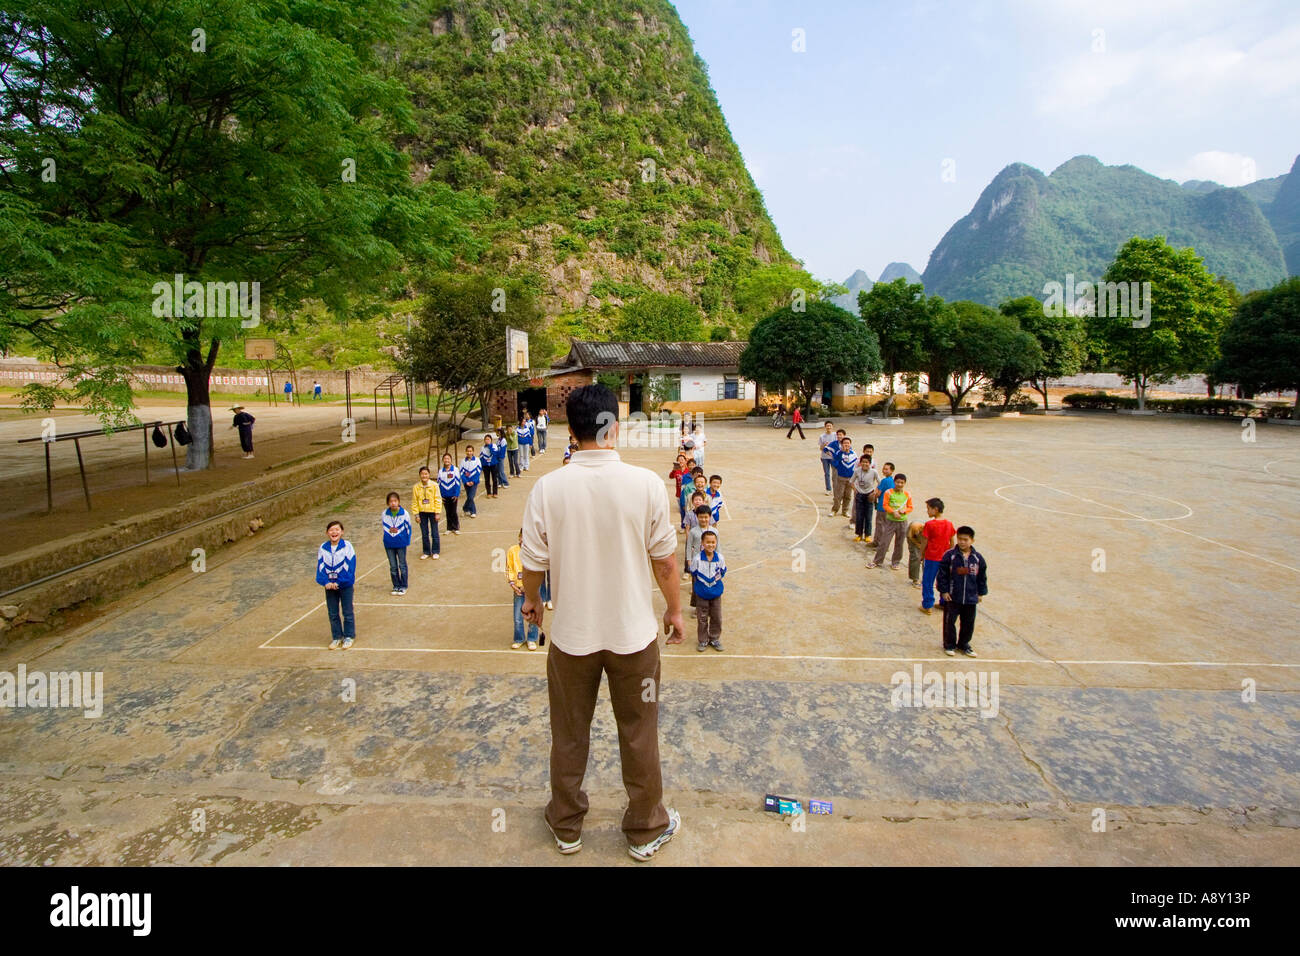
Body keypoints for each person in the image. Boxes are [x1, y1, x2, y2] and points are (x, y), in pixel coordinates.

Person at [518, 383, 683, 861]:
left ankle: (567, 825)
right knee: (639, 730)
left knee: (569, 732)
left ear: (569, 430)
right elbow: (667, 563)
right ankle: (645, 828)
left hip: (572, 639)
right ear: (617, 425)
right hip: (634, 638)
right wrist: (673, 610)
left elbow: (533, 563)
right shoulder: (647, 484)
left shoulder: (549, 488)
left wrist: (532, 601)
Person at [936, 526, 988, 657]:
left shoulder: (977, 558)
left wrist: (980, 593)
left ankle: (964, 644)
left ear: (972, 540)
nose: (962, 542)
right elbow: (942, 574)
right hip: (953, 596)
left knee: (968, 622)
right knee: (949, 622)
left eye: (965, 539)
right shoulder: (950, 556)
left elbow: (982, 577)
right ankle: (949, 644)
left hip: (970, 597)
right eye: (960, 539)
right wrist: (944, 591)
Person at [317, 520, 356, 649]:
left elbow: (350, 566)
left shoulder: (347, 546)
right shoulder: (323, 548)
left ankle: (349, 636)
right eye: (331, 530)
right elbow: (320, 567)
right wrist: (326, 582)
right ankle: (336, 637)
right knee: (333, 613)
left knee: (347, 611)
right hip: (329, 587)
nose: (334, 532)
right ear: (327, 533)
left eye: (337, 530)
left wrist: (339, 582)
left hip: (345, 586)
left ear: (342, 532)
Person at [689, 529, 726, 652]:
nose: (711, 545)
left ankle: (714, 639)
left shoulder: (720, 558)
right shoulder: (697, 559)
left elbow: (722, 572)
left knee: (717, 617)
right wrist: (703, 585)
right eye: (708, 542)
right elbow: (693, 573)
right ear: (702, 543)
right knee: (702, 618)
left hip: (715, 594)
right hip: (702, 594)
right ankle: (703, 640)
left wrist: (713, 583)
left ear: (716, 543)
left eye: (713, 542)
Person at [919, 498, 956, 615]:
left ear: (935, 509)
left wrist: (921, 553)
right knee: (944, 580)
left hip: (932, 557)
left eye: (928, 509)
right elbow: (952, 542)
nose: (927, 511)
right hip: (945, 557)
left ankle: (927, 605)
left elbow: (925, 541)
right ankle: (943, 603)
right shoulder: (949, 524)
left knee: (928, 581)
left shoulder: (929, 525)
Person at [868, 472, 912, 569]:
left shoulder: (907, 494)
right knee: (884, 541)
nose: (899, 484)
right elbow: (885, 505)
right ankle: (877, 560)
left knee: (899, 543)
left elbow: (910, 507)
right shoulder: (889, 492)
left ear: (905, 483)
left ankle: (895, 562)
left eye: (902, 483)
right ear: (894, 482)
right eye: (897, 482)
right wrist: (893, 512)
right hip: (890, 521)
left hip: (902, 522)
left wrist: (904, 511)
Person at [506, 529, 541, 650]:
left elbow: (537, 570)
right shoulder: (512, 550)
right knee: (517, 617)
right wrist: (513, 585)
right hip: (518, 590)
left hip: (532, 590)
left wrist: (530, 586)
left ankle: (532, 639)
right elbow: (509, 568)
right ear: (519, 537)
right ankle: (519, 638)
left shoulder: (534, 552)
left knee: (533, 615)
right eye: (522, 537)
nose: (523, 540)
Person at [382, 492, 411, 595]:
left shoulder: (405, 513)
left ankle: (403, 585)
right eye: (391, 501)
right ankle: (396, 585)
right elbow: (385, 528)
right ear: (387, 503)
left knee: (402, 564)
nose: (393, 503)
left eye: (395, 501)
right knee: (393, 566)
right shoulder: (385, 514)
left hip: (401, 543)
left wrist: (407, 540)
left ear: (399, 502)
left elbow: (408, 528)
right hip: (389, 544)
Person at [411, 466, 442, 560]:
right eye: (422, 474)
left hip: (432, 511)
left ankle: (435, 551)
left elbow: (438, 499)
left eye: (426, 474)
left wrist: (437, 512)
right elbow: (414, 502)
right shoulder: (416, 487)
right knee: (424, 533)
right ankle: (426, 551)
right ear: (419, 475)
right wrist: (416, 515)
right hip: (422, 512)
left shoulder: (434, 485)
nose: (424, 476)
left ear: (429, 475)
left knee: (434, 532)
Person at [850, 453, 879, 542]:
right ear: (860, 463)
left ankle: (867, 535)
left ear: (870, 463)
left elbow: (880, 482)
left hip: (869, 495)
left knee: (868, 516)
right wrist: (855, 490)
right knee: (859, 516)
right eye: (863, 462)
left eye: (867, 462)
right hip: (860, 495)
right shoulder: (857, 471)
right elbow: (851, 481)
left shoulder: (874, 472)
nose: (865, 464)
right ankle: (859, 534)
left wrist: (875, 492)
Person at [683, 503, 714, 585]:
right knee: (696, 580)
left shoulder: (714, 531)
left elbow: (717, 547)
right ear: (697, 517)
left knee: (707, 578)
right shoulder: (693, 531)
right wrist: (689, 560)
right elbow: (689, 546)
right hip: (696, 559)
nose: (703, 519)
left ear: (710, 517)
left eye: (706, 517)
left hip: (709, 559)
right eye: (701, 517)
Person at [829, 436, 858, 518]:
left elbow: (856, 465)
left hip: (850, 478)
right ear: (841, 444)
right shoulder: (838, 453)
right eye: (844, 443)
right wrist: (841, 453)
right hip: (841, 477)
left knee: (848, 496)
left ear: (850, 444)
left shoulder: (854, 454)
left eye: (848, 443)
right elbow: (835, 464)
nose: (846, 445)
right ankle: (834, 510)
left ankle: (845, 511)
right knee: (838, 495)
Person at [438, 452, 462, 535]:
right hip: (444, 495)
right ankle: (449, 528)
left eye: (448, 459)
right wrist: (440, 495)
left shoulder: (455, 469)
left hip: (453, 495)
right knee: (447, 512)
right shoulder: (441, 471)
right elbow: (439, 484)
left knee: (454, 511)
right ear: (443, 460)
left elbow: (458, 483)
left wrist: (456, 494)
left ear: (451, 460)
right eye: (445, 459)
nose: (446, 460)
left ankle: (456, 527)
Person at [460, 445, 482, 518]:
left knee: (471, 497)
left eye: (470, 451)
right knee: (469, 496)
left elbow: (478, 472)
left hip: (474, 482)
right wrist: (466, 481)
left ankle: (470, 510)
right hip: (466, 482)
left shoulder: (477, 460)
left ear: (473, 452)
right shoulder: (463, 461)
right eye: (468, 451)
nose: (469, 453)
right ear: (466, 452)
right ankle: (467, 509)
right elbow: (461, 473)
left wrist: (473, 481)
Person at [669, 455, 688, 531]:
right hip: (679, 494)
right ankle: (683, 526)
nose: (681, 461)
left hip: (688, 494)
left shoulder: (688, 470)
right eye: (679, 460)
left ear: (685, 461)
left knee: (689, 511)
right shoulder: (676, 470)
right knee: (682, 511)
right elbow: (670, 476)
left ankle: (689, 525)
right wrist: (674, 470)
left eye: (682, 459)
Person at [817, 422, 837, 495]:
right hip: (824, 457)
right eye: (827, 426)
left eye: (830, 426)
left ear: (832, 426)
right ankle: (828, 489)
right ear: (825, 427)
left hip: (833, 457)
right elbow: (821, 448)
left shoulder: (835, 435)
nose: (828, 427)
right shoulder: (822, 436)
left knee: (835, 474)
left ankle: (835, 489)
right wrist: (824, 445)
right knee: (827, 473)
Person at [907, 520, 927, 591]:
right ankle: (915, 579)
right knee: (915, 556)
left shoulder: (928, 531)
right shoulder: (914, 527)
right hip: (913, 539)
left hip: (924, 541)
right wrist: (917, 544)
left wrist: (923, 550)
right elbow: (910, 537)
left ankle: (926, 579)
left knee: (926, 559)